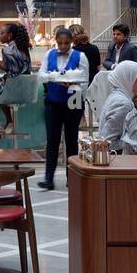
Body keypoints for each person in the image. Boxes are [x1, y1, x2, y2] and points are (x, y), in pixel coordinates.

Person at [35, 27, 88, 190]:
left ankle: (71, 177)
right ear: (56, 42)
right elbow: (40, 76)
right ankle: (48, 178)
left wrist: (73, 84)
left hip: (73, 100)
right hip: (53, 101)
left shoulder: (81, 56)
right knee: (52, 140)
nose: (63, 46)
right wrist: (56, 78)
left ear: (71, 42)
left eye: (66, 43)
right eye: (60, 43)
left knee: (72, 140)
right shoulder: (49, 54)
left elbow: (85, 80)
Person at [0, 23, 33, 127]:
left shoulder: (7, 50)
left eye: (2, 33)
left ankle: (9, 120)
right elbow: (20, 69)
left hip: (14, 89)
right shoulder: (24, 47)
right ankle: (10, 121)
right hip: (26, 89)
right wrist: (1, 66)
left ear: (10, 35)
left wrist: (0, 80)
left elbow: (13, 74)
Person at [96, 60, 137, 151]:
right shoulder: (123, 103)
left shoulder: (120, 96)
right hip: (116, 159)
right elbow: (108, 142)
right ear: (128, 78)